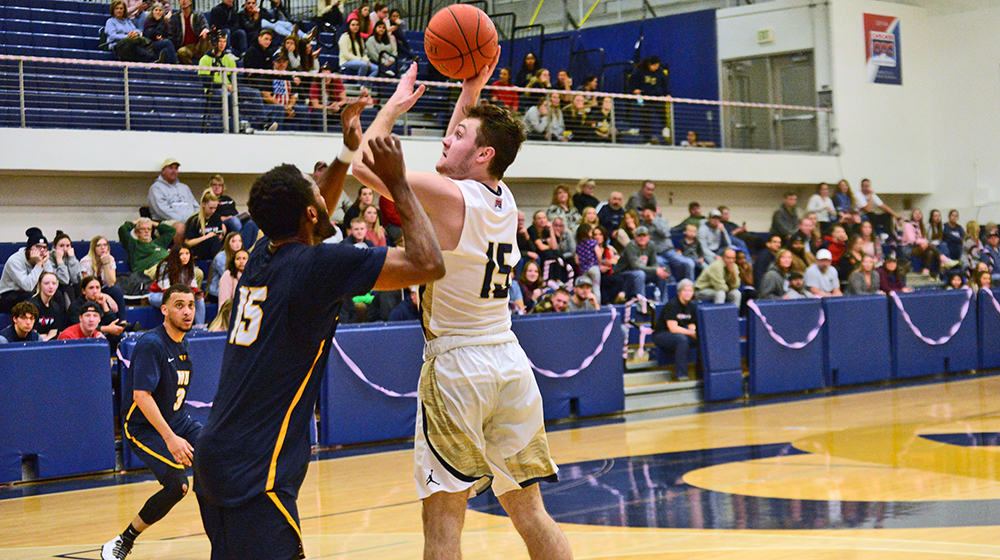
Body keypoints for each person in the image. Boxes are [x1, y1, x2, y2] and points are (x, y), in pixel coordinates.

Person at [192, 94, 444, 558]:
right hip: (256, 468)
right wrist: (398, 184)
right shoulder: (317, 266)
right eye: (315, 190)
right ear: (310, 213)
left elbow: (314, 214)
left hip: (217, 456)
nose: (323, 193)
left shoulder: (261, 259)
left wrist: (347, 152)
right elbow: (428, 263)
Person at [351, 61, 573, 559]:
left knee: (443, 522)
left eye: (458, 135)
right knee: (530, 511)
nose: (446, 140)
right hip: (510, 363)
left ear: (484, 153)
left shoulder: (451, 198)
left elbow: (365, 163)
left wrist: (395, 105)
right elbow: (463, 157)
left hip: (457, 368)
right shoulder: (503, 195)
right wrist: (471, 87)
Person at [100, 285, 199, 560]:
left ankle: (230, 534)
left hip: (177, 420)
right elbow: (141, 396)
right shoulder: (152, 344)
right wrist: (170, 438)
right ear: (164, 310)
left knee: (219, 455)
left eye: (190, 305)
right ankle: (124, 540)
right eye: (179, 305)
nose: (187, 311)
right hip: (143, 427)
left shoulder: (183, 342)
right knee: (177, 486)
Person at [148, 245, 207, 326]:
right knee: (176, 301)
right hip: (158, 295)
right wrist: (182, 297)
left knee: (199, 300)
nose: (185, 257)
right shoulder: (165, 266)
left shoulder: (190, 267)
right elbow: (166, 290)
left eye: (187, 254)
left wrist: (197, 293)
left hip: (180, 295)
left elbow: (193, 286)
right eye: (181, 254)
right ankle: (177, 326)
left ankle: (200, 327)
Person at [651, 278, 697, 381]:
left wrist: (694, 333)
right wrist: (690, 333)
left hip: (678, 334)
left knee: (700, 339)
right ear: (679, 292)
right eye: (685, 290)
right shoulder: (672, 305)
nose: (688, 293)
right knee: (682, 340)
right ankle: (681, 375)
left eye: (690, 291)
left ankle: (700, 373)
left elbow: (691, 324)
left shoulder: (691, 307)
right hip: (662, 335)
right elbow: (673, 328)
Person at [0, 228, 53, 313]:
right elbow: (27, 286)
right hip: (9, 295)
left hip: (32, 293)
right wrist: (39, 265)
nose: (42, 250)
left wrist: (44, 264)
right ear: (29, 249)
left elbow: (51, 280)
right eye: (38, 247)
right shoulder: (15, 260)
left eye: (44, 247)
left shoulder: (45, 259)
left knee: (56, 295)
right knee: (31, 297)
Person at [106, 0, 178, 63]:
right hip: (119, 45)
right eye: (117, 9)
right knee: (142, 49)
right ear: (113, 10)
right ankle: (157, 59)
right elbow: (112, 36)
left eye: (121, 8)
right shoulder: (110, 21)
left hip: (131, 43)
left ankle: (158, 60)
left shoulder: (127, 21)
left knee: (164, 49)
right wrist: (127, 36)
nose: (119, 10)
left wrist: (135, 33)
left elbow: (136, 29)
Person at [148, 158, 196, 242]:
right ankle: (178, 253)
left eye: (176, 168)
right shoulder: (156, 188)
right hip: (166, 222)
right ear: (163, 170)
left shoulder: (184, 187)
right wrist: (186, 221)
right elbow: (162, 211)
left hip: (189, 221)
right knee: (180, 228)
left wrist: (196, 220)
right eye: (171, 168)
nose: (174, 171)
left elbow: (195, 206)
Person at [627, 56, 669, 144]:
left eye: (657, 66)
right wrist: (634, 89)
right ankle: (647, 139)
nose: (656, 68)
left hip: (657, 98)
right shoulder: (640, 71)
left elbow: (665, 83)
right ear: (649, 64)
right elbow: (631, 82)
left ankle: (665, 130)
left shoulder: (659, 72)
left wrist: (667, 94)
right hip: (645, 98)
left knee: (663, 115)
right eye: (654, 66)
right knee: (646, 119)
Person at [184, 189, 227, 261]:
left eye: (215, 208)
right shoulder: (194, 220)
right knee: (213, 240)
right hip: (198, 250)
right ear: (203, 204)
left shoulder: (216, 217)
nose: (213, 211)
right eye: (210, 208)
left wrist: (220, 235)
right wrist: (207, 236)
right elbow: (188, 243)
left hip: (213, 248)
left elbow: (218, 236)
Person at [29, 272, 68, 340]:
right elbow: (32, 334)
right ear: (39, 285)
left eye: (54, 283)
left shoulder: (55, 307)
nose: (51, 287)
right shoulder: (32, 305)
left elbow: (53, 333)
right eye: (46, 283)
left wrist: (45, 339)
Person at [169, 0, 210, 64]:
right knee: (181, 52)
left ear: (190, 2)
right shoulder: (175, 17)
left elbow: (204, 25)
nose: (183, 1)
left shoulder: (197, 15)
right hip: (185, 47)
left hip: (198, 45)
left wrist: (205, 29)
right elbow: (170, 33)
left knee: (208, 38)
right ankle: (193, 70)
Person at [49, 231, 83, 302]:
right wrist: (59, 259)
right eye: (61, 246)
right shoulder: (49, 259)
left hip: (71, 287)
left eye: (68, 246)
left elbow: (76, 279)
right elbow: (64, 280)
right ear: (54, 247)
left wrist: (72, 258)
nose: (65, 249)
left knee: (78, 287)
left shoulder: (71, 257)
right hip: (57, 288)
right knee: (68, 289)